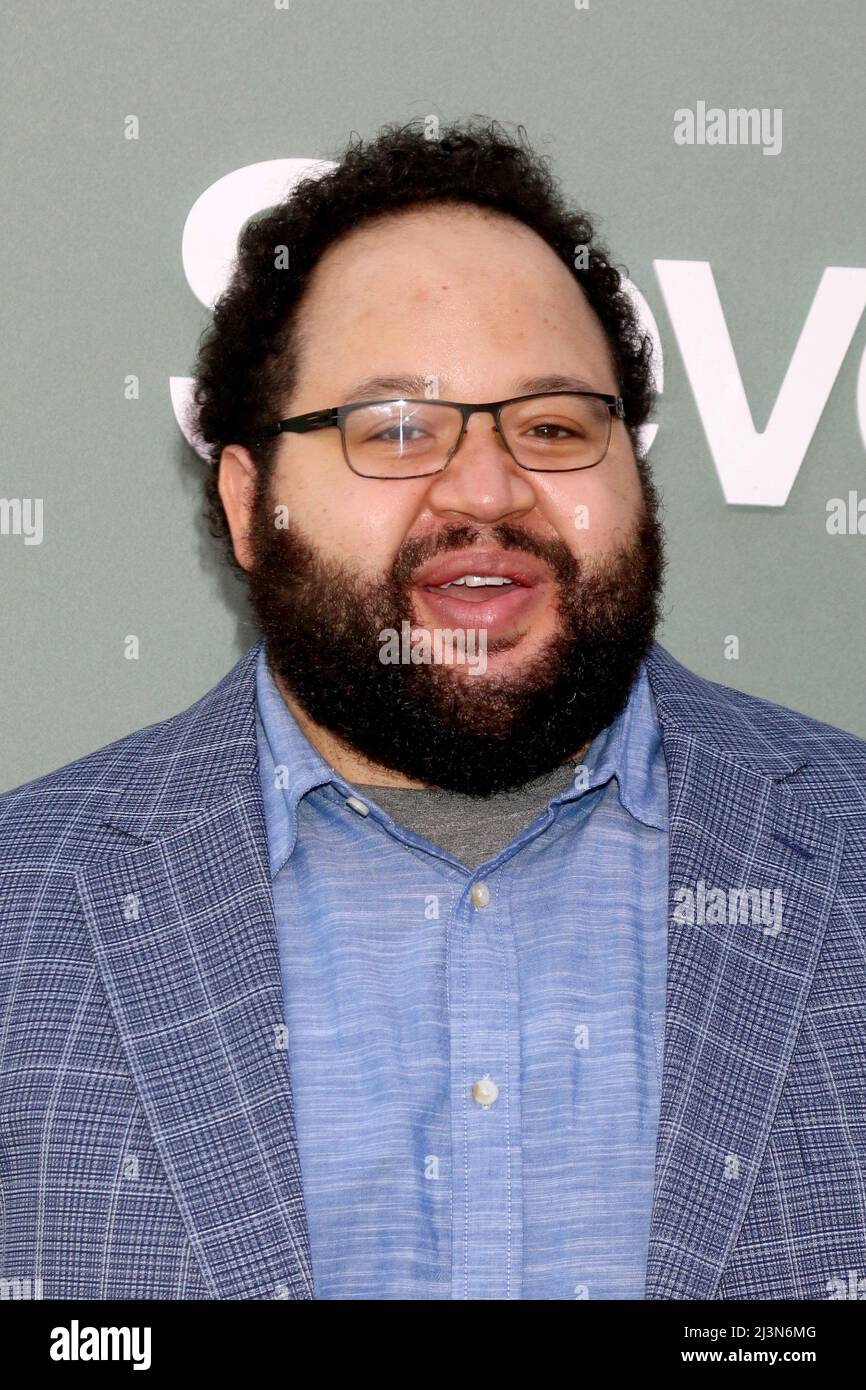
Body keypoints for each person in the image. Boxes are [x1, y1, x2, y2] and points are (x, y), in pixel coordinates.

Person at [1, 119, 865, 1302]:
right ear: (250, 508)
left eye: (554, 426)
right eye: (397, 429)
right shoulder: (21, 913)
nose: (486, 488)